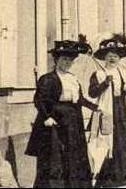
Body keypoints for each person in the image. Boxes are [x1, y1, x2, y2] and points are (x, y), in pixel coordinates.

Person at [25, 38, 98, 188]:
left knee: (74, 157)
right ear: (57, 60)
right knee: (55, 159)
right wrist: (47, 117)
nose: (67, 63)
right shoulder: (47, 78)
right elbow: (39, 100)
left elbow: (80, 99)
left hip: (73, 123)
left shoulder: (72, 78)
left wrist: (95, 107)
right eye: (64, 59)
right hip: (55, 124)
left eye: (70, 61)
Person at [89, 35, 126, 187]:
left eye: (116, 55)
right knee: (107, 141)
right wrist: (105, 83)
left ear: (120, 58)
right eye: (109, 55)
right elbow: (92, 93)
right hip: (107, 110)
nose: (113, 58)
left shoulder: (124, 73)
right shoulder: (98, 74)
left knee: (124, 140)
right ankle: (108, 178)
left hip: (123, 110)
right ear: (104, 57)